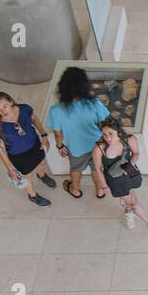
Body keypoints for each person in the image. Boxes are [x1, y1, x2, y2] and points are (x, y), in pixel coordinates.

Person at [92, 118, 148, 231]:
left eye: (110, 134)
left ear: (118, 131)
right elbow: (98, 169)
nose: (107, 138)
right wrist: (104, 186)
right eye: (104, 135)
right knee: (134, 203)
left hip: (129, 174)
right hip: (115, 180)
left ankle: (128, 211)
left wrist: (129, 166)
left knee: (130, 194)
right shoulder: (99, 149)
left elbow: (136, 153)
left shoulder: (129, 139)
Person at [46, 66, 111, 199]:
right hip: (97, 145)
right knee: (97, 169)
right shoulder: (95, 104)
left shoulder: (56, 110)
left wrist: (60, 146)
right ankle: (100, 191)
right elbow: (104, 126)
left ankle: (75, 189)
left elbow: (58, 134)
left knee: (76, 169)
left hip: (76, 149)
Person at [0, 92, 55, 207]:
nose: (3, 111)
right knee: (27, 176)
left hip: (35, 144)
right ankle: (33, 196)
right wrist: (11, 170)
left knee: (42, 162)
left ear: (11, 102)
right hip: (18, 155)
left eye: (5, 106)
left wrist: (44, 135)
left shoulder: (24, 109)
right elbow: (1, 150)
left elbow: (34, 119)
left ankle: (41, 175)